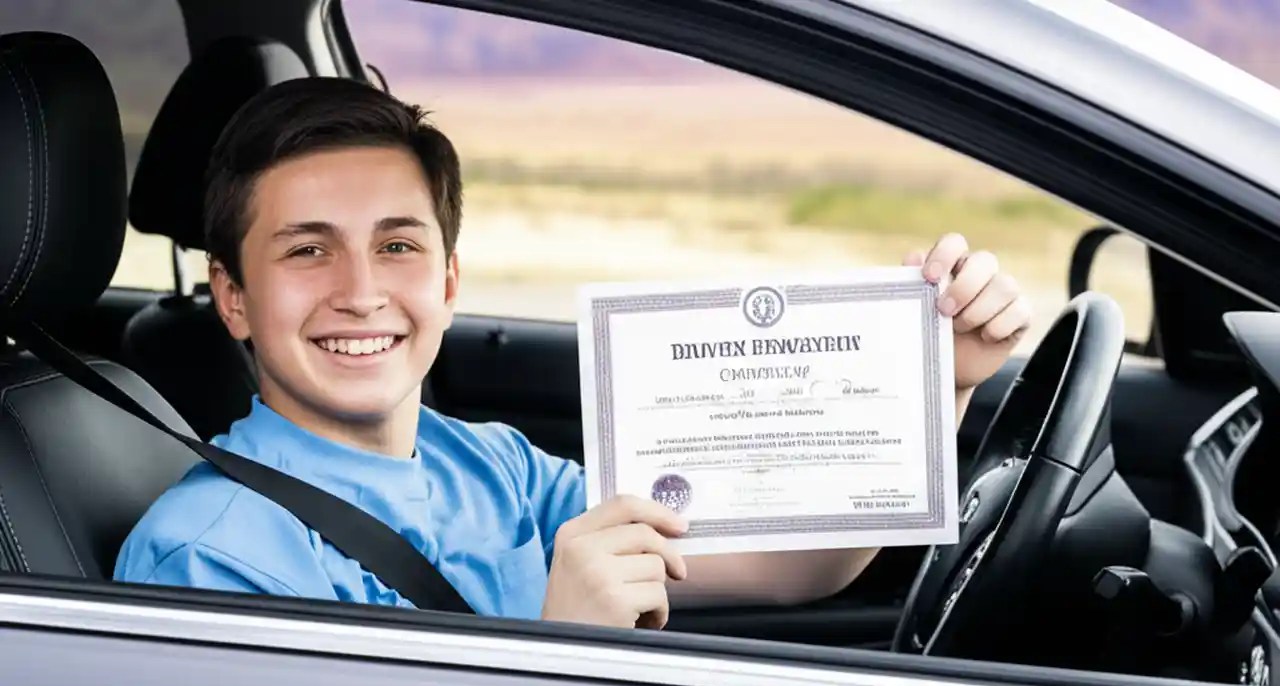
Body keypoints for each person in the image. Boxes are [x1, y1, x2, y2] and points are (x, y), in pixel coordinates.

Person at [114, 77, 1032, 629]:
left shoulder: (495, 465)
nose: (361, 289)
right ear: (232, 296)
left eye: (397, 245)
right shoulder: (203, 561)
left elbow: (787, 568)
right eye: (308, 249)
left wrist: (928, 384)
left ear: (448, 282)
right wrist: (558, 651)